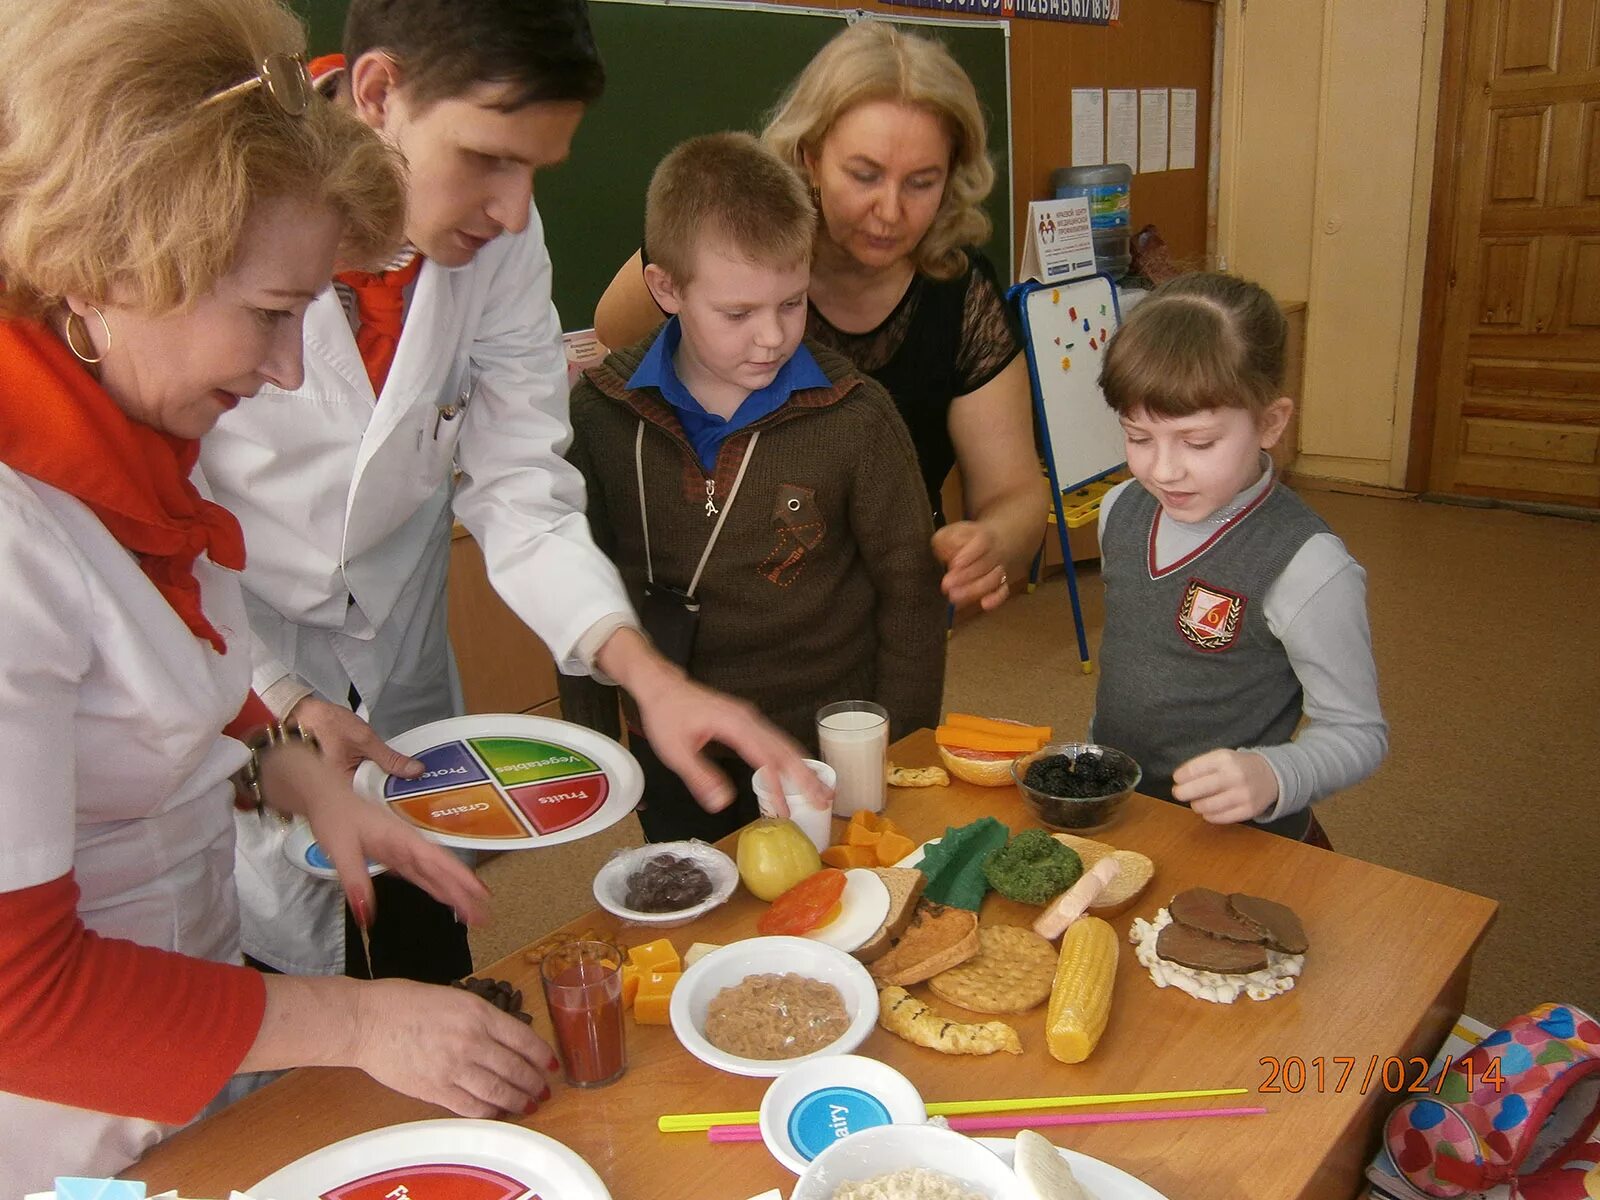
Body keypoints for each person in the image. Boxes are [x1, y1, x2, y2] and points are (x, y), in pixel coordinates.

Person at [0, 0, 560, 1189]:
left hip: (182, 1064)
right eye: (267, 314)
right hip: (57, 1133)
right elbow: (20, 1002)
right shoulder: (13, 538)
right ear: (109, 261)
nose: (289, 368)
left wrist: (287, 760)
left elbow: (157, 676)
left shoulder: (135, 443)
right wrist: (359, 1023)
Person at [199, 0, 822, 985]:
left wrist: (644, 673)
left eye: (537, 170)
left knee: (420, 954)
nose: (514, 209)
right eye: (490, 159)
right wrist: (274, 696)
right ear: (378, 95)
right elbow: (155, 521)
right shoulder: (214, 212)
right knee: (267, 1005)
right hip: (226, 657)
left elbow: (521, 484)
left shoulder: (495, 247)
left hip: (395, 676)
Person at [593, 21, 1046, 616]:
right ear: (809, 157)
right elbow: (613, 332)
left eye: (921, 182)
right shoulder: (735, 243)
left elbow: (1014, 491)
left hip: (878, 608)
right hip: (729, 592)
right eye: (864, 175)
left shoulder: (961, 296)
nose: (889, 211)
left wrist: (993, 543)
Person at [567, 133, 946, 842]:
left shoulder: (857, 417)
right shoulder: (598, 416)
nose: (772, 337)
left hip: (826, 744)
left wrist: (902, 754)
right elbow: (576, 587)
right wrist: (594, 756)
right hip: (678, 745)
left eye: (793, 302)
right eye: (738, 313)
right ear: (667, 289)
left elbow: (911, 592)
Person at [1091, 273, 1389, 845]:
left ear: (1270, 423)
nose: (1162, 469)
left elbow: (1358, 731)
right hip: (1130, 816)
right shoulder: (1119, 511)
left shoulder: (1309, 565)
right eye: (1138, 436)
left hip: (1245, 839)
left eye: (1198, 443)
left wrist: (1276, 773)